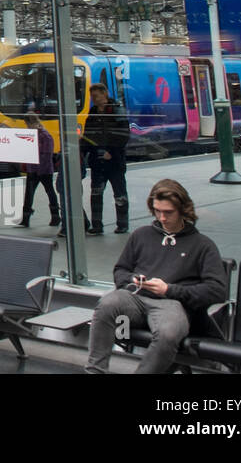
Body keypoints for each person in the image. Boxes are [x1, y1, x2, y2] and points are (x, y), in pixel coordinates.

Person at [85, 178, 227, 373]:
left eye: (168, 212)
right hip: (136, 298)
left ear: (183, 210)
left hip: (173, 304)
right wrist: (132, 281)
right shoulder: (141, 235)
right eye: (157, 211)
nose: (162, 217)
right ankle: (95, 370)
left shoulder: (202, 245)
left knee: (168, 334)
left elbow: (217, 290)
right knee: (107, 304)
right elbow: (121, 270)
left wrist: (170, 289)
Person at [82, 83, 130, 234]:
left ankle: (122, 224)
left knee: (119, 194)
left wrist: (112, 152)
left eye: (96, 96)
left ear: (105, 94)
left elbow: (123, 135)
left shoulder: (117, 110)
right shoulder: (93, 112)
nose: (94, 99)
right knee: (96, 193)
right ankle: (97, 225)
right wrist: (82, 151)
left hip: (114, 161)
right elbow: (88, 135)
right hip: (97, 161)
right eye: (92, 96)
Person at [18, 112, 60, 228]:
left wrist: (39, 169)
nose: (27, 127)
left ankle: (55, 216)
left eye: (28, 124)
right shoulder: (33, 135)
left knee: (49, 192)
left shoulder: (45, 136)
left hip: (44, 170)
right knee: (30, 194)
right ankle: (26, 218)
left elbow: (47, 155)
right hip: (33, 168)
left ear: (33, 123)